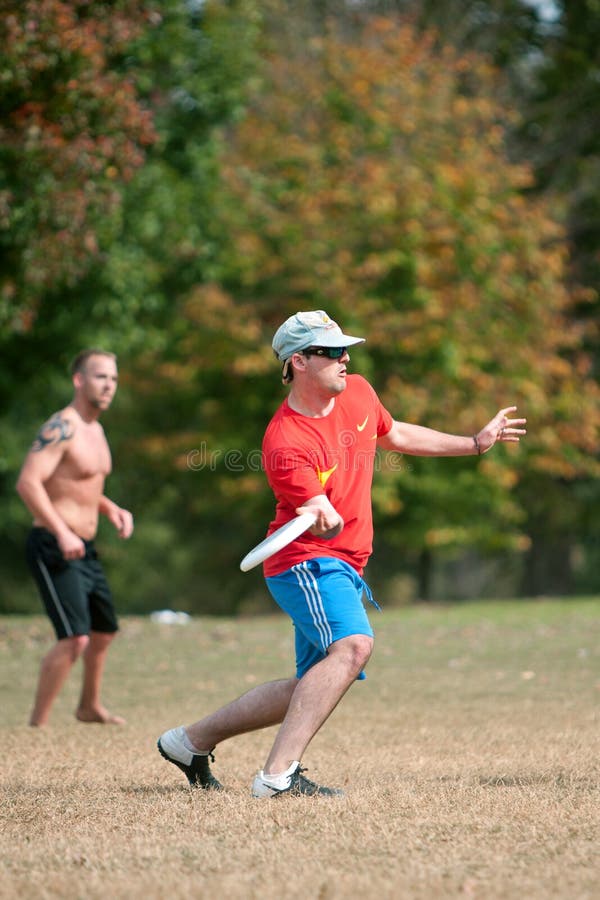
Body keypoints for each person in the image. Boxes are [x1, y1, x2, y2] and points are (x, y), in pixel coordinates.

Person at [157, 310, 526, 797]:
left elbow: (395, 435)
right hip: (306, 562)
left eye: (344, 349)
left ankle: (190, 741)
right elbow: (309, 500)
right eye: (331, 352)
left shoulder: (358, 391)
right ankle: (276, 777)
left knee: (311, 685)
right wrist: (318, 506)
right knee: (353, 647)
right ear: (299, 362)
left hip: (347, 562)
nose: (345, 358)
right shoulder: (284, 439)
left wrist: (474, 443)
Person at [16, 349, 134, 727]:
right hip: (53, 544)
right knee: (74, 638)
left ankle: (89, 707)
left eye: (113, 379)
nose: (108, 385)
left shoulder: (95, 430)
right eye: (100, 377)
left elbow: (77, 487)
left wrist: (110, 507)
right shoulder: (61, 426)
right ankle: (38, 724)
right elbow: (29, 483)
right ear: (79, 380)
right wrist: (62, 531)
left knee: (103, 631)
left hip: (85, 547)